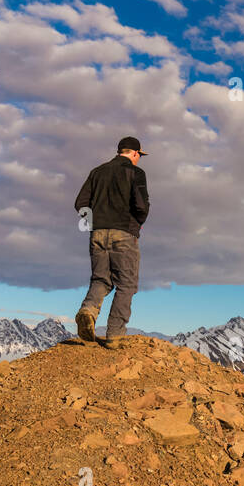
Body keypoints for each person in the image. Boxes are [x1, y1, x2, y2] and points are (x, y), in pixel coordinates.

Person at [74, 136, 149, 346]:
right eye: (139, 156)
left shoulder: (97, 172)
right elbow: (142, 206)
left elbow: (80, 203)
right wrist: (136, 224)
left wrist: (93, 222)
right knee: (126, 284)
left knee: (101, 280)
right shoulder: (136, 173)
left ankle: (88, 310)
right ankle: (115, 334)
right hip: (124, 233)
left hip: (97, 233)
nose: (139, 159)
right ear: (134, 153)